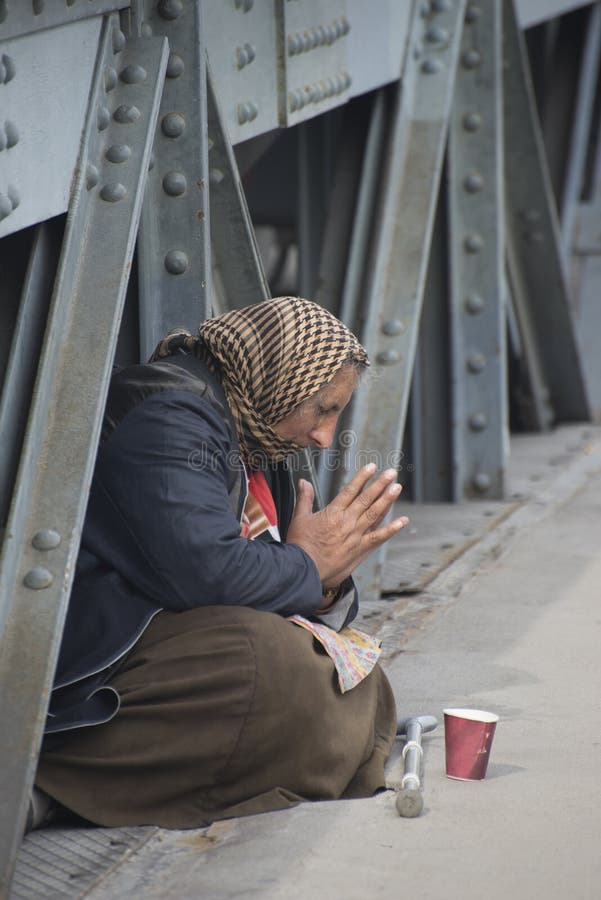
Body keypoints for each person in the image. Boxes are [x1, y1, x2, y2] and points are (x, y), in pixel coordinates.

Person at [34, 297, 409, 829]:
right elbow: (206, 571)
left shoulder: (256, 435)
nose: (326, 437)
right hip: (101, 650)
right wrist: (307, 563)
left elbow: (277, 561)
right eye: (323, 408)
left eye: (336, 414)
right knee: (268, 661)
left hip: (175, 630)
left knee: (344, 670)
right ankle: (57, 781)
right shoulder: (170, 419)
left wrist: (326, 577)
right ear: (285, 379)